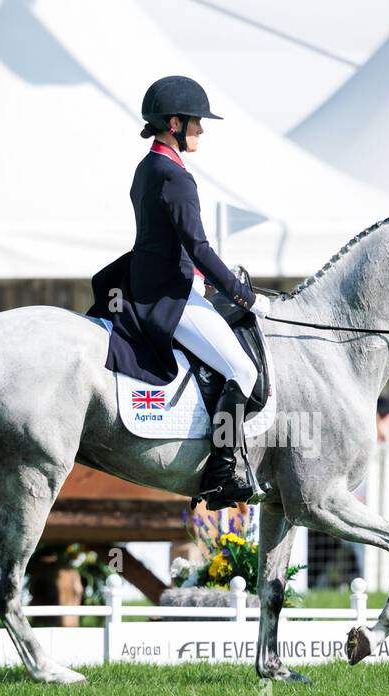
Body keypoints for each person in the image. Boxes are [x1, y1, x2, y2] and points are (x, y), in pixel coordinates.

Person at [88, 76, 271, 510]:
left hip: (148, 284)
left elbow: (165, 242)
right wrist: (241, 292)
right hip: (169, 298)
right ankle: (221, 474)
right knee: (243, 373)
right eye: (195, 122)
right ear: (174, 122)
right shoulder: (175, 177)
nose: (201, 130)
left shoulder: (147, 167)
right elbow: (198, 246)